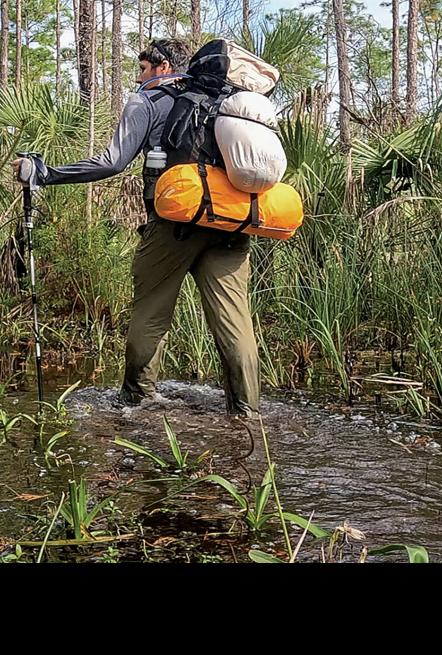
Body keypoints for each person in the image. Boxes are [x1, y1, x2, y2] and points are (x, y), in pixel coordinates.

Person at [19, 38, 262, 417]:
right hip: (232, 224)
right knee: (235, 322)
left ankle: (137, 402)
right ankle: (247, 411)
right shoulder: (227, 101)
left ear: (163, 65)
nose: (138, 76)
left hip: (174, 225)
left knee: (150, 313)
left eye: (143, 67)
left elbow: (112, 162)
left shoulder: (148, 100)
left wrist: (48, 173)